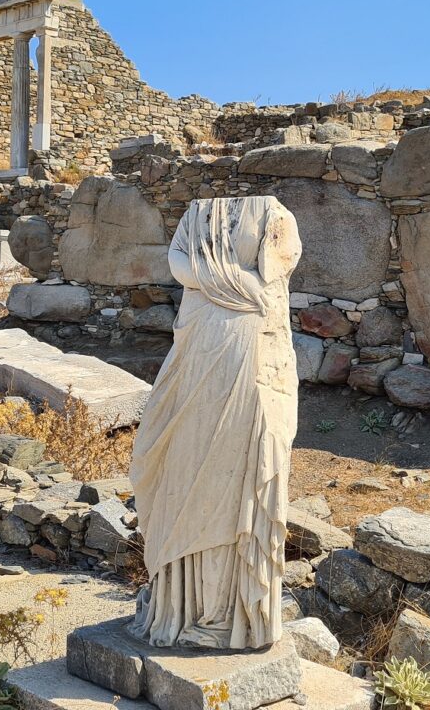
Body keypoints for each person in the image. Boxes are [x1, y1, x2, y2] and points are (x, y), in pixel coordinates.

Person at [128, 195, 302, 649]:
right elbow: (181, 263)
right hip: (198, 348)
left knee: (239, 473)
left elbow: (270, 276)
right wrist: (232, 282)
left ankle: (227, 614)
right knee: (177, 468)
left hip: (250, 354)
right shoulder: (194, 215)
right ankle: (182, 607)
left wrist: (212, 279)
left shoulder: (275, 215)